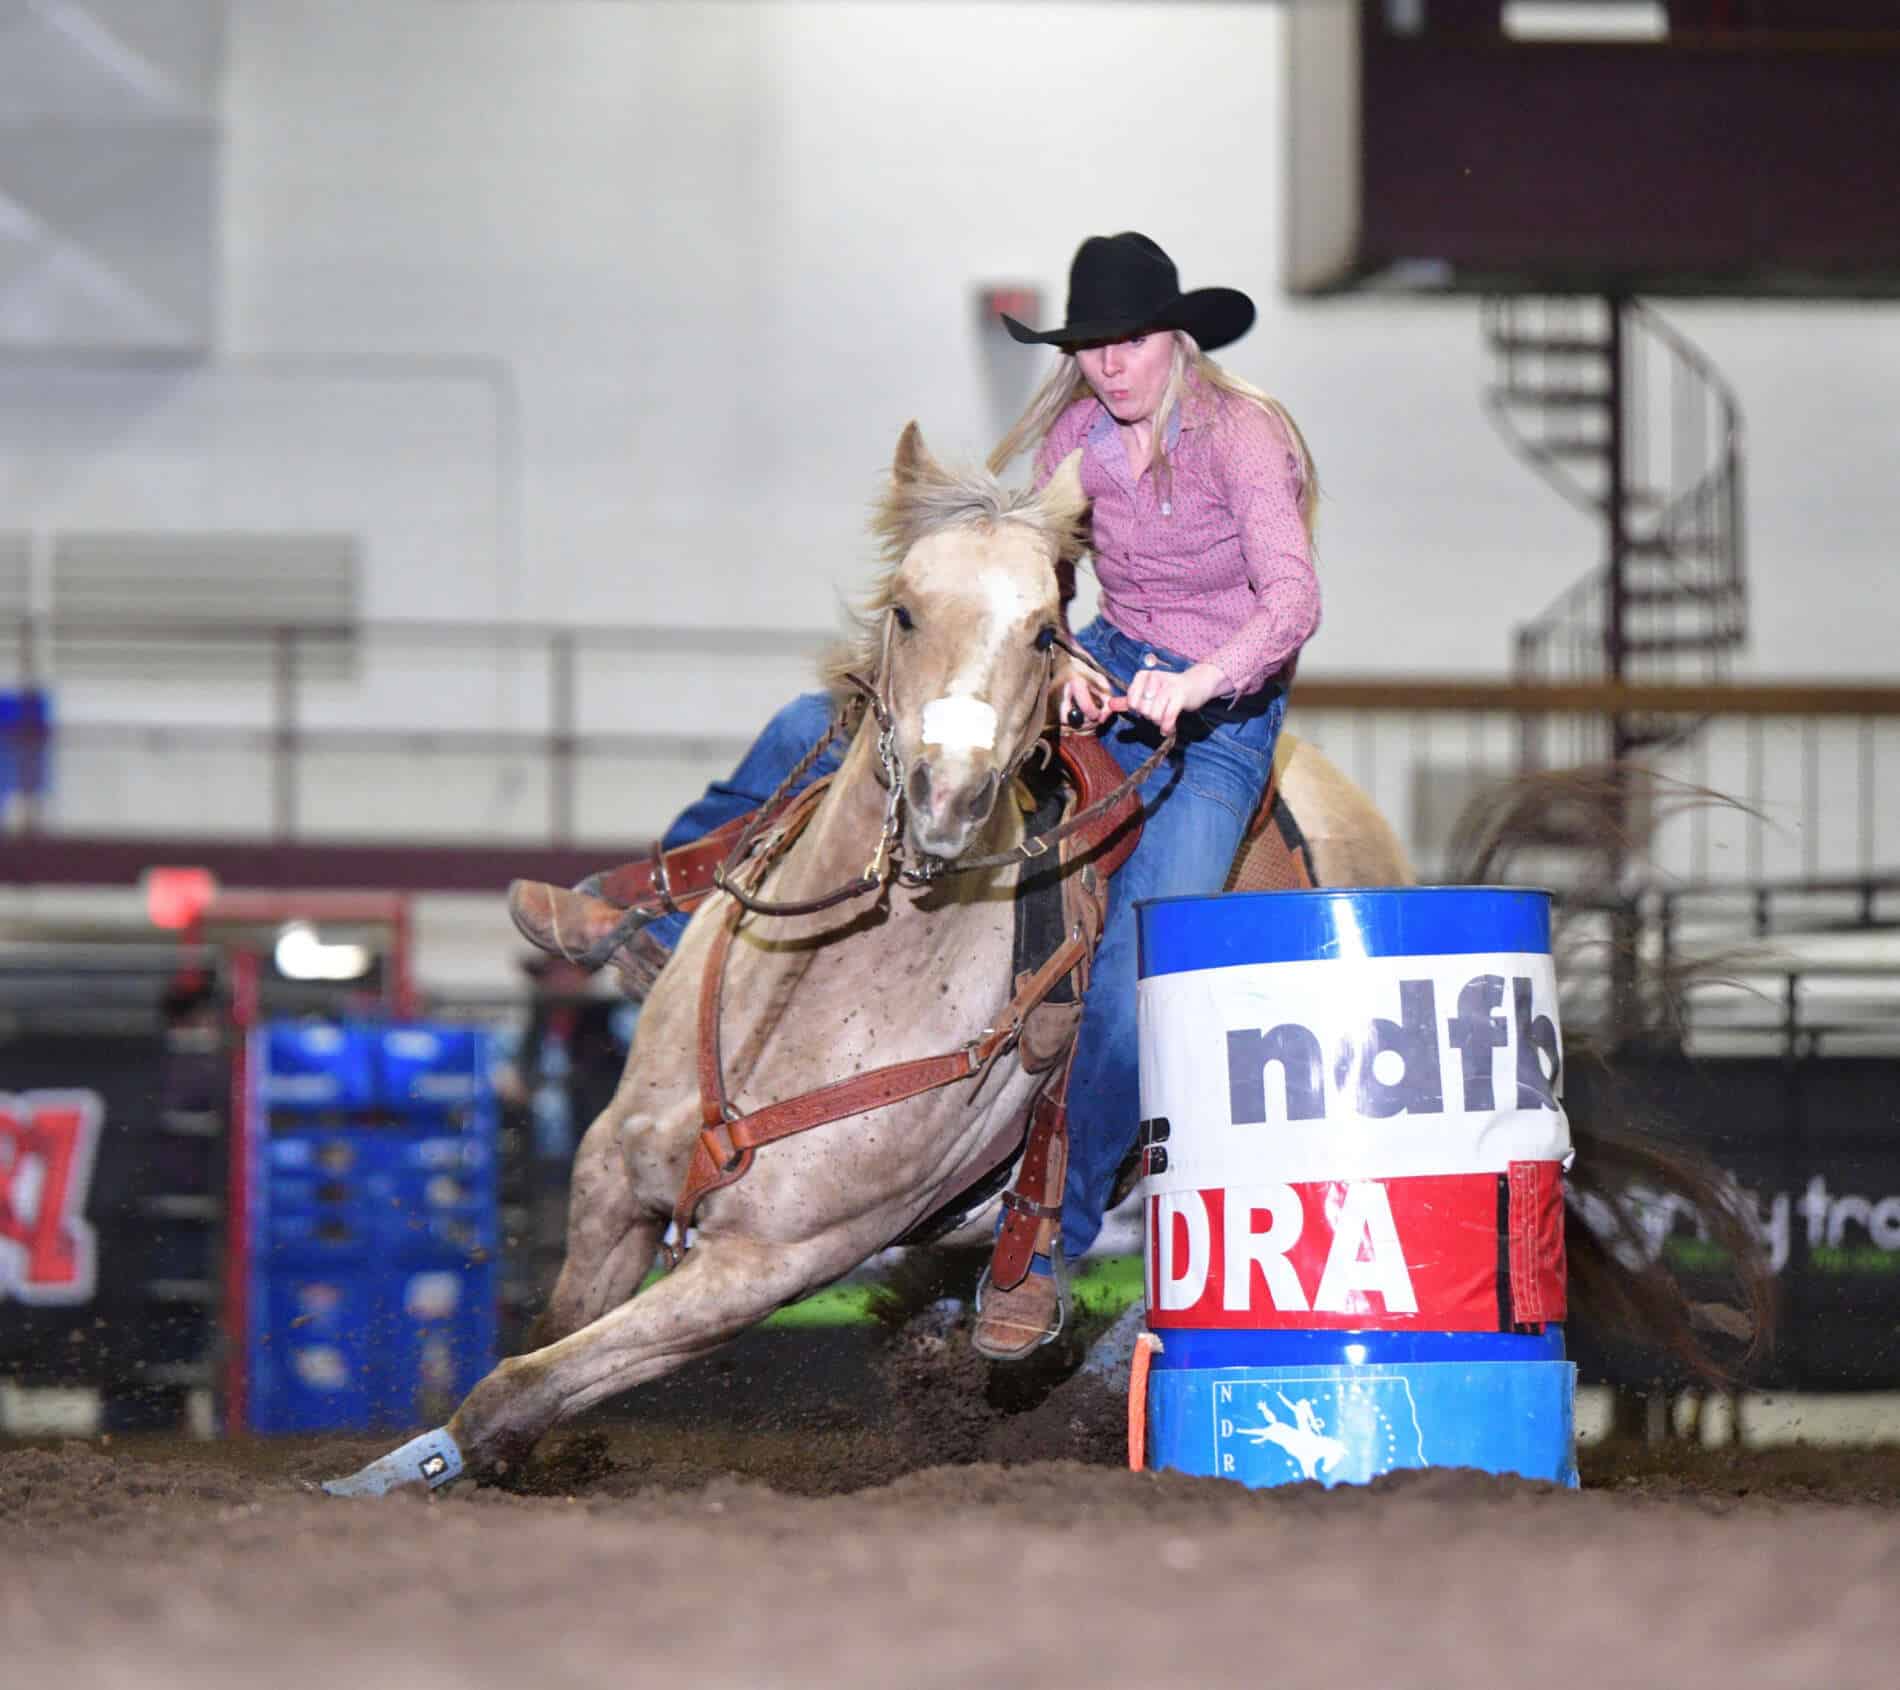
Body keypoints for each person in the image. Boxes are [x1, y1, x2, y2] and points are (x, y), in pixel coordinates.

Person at [612, 232, 1321, 1358]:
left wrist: (1197, 683)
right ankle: (657, 906)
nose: (1109, 365)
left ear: (1177, 340)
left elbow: (1291, 602)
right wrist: (1062, 651)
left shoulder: (1245, 437)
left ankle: (1045, 1238)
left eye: (1130, 341)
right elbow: (1030, 565)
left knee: (1136, 981)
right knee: (824, 730)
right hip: (1104, 674)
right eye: (1091, 345)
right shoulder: (1077, 438)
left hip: (1221, 723)